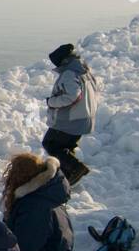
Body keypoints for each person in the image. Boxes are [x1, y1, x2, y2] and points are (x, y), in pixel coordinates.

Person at [42, 43, 99, 186]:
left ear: (63, 61)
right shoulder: (83, 70)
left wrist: (52, 102)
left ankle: (76, 169)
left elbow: (72, 96)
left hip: (71, 120)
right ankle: (66, 177)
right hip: (84, 118)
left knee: (50, 143)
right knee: (66, 147)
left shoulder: (69, 73)